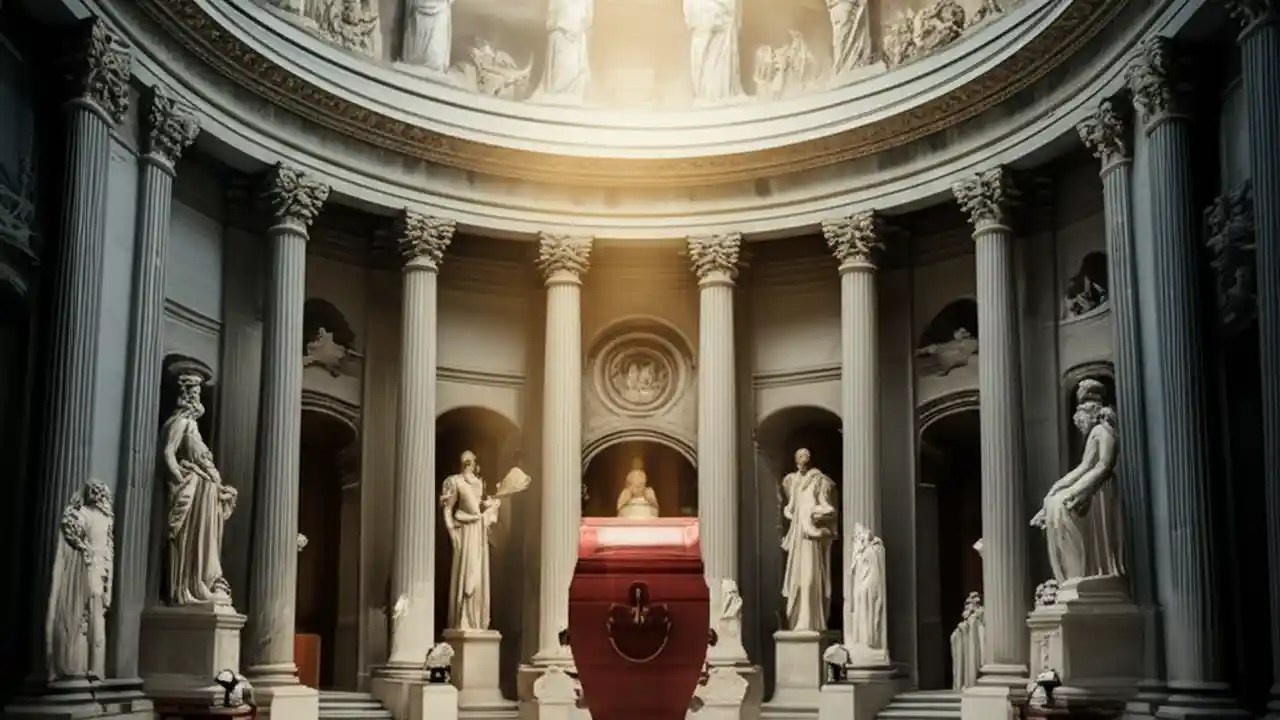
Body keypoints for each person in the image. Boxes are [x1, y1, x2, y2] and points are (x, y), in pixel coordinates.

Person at [1031, 378, 1124, 582]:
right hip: (1092, 485)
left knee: (1062, 507)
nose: (1080, 427)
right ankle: (1079, 573)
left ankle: (1096, 571)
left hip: (1099, 487)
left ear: (1090, 413)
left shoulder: (1103, 432)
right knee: (1054, 503)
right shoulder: (1094, 434)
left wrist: (1076, 492)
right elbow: (1083, 467)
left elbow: (1104, 466)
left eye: (1081, 422)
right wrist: (1056, 489)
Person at [161, 371, 237, 606]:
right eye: (193, 393)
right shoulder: (182, 423)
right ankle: (193, 585)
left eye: (198, 393)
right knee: (197, 540)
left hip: (207, 493)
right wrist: (181, 478)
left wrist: (221, 488)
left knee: (207, 541)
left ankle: (206, 580)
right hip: (195, 492)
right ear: (185, 397)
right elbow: (168, 453)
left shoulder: (194, 426)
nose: (196, 398)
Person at [441, 450, 501, 630]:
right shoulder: (455, 481)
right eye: (465, 461)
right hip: (465, 532)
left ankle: (477, 619)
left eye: (471, 461)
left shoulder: (480, 484)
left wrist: (492, 508)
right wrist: (452, 533)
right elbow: (447, 509)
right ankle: (463, 619)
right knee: (466, 572)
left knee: (478, 574)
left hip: (479, 530)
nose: (468, 463)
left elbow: (484, 508)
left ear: (475, 463)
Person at [780, 448, 838, 631]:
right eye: (799, 458)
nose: (802, 461)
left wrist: (815, 514)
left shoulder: (817, 480)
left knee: (809, 578)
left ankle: (810, 620)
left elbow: (828, 508)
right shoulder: (794, 482)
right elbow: (790, 508)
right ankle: (797, 621)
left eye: (805, 458)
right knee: (796, 581)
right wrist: (792, 513)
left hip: (810, 538)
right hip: (798, 537)